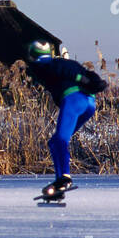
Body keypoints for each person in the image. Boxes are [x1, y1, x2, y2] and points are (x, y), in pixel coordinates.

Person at [24, 40, 107, 201]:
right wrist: (90, 81)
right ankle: (59, 182)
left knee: (60, 140)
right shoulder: (68, 62)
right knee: (56, 141)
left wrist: (79, 78)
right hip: (90, 103)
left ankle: (64, 180)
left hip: (73, 100)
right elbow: (88, 74)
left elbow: (59, 69)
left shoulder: (44, 64)